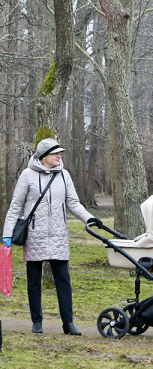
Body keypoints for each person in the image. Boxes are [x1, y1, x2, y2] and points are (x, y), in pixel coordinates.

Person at [2, 138, 99, 335]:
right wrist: (7, 235)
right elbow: (15, 207)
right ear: (44, 156)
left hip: (58, 235)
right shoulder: (27, 175)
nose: (59, 156)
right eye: (55, 153)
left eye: (59, 153)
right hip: (34, 235)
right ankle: (37, 321)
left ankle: (68, 323)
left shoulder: (64, 175)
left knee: (63, 280)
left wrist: (91, 219)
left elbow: (73, 203)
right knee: (34, 281)